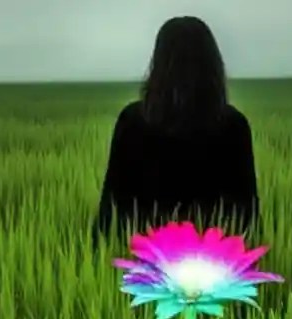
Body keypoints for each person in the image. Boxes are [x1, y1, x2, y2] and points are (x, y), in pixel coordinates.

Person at [92, 16, 260, 243]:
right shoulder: (233, 125)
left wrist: (98, 257)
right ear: (212, 65)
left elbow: (111, 206)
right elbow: (246, 214)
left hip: (144, 260)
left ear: (159, 63)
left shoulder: (132, 121)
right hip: (214, 267)